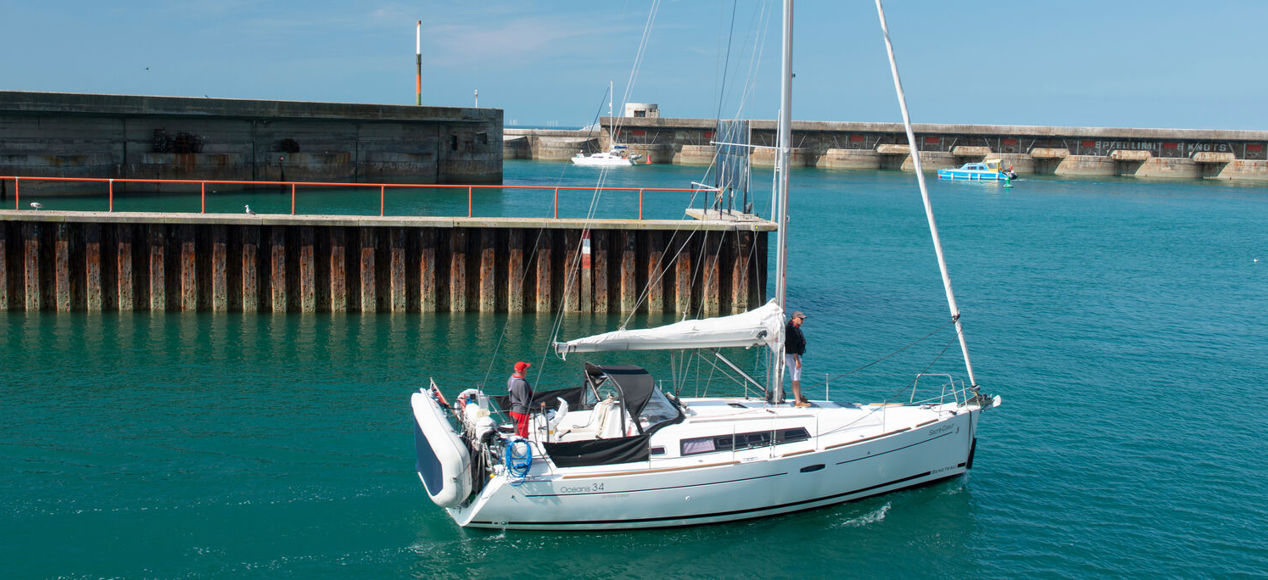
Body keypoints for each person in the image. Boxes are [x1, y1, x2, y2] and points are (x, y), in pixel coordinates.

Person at [786, 311, 810, 407]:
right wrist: (796, 360)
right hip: (792, 356)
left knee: (797, 378)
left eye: (803, 319)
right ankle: (798, 401)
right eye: (801, 319)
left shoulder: (793, 328)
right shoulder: (791, 329)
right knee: (795, 379)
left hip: (793, 355)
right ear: (794, 318)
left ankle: (799, 396)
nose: (802, 321)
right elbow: (792, 345)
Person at [507, 361, 534, 437]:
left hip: (513, 411)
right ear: (522, 371)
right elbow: (525, 403)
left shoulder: (511, 379)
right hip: (521, 414)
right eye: (526, 369)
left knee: (517, 433)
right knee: (522, 436)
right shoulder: (522, 384)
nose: (527, 371)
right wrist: (539, 405)